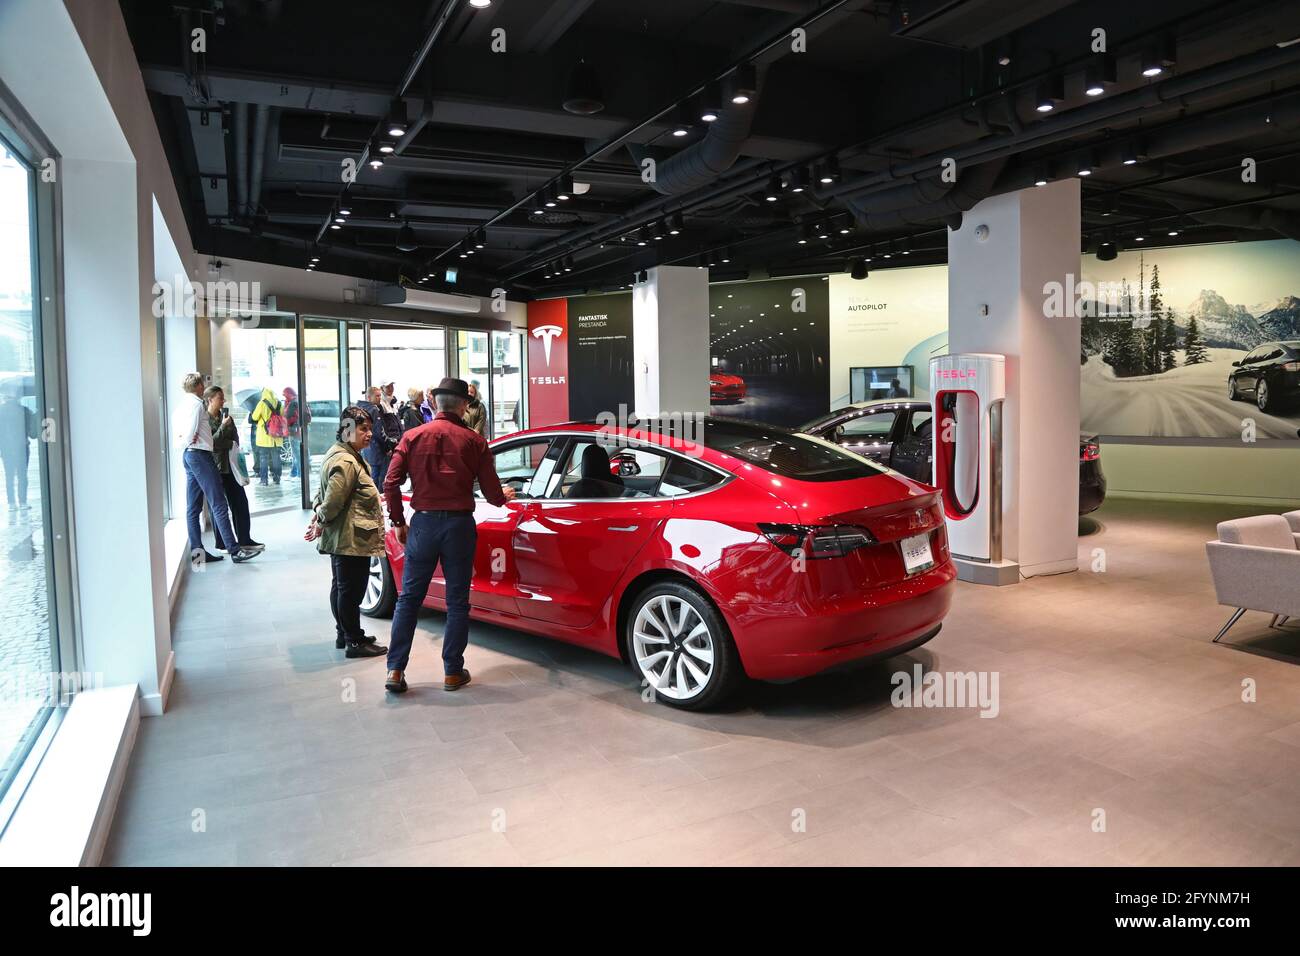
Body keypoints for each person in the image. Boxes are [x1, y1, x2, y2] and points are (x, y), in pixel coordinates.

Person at [381, 377, 515, 694]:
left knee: (409, 599)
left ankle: (396, 670)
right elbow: (494, 495)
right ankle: (453, 672)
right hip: (458, 527)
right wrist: (506, 494)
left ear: (435, 404)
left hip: (423, 524)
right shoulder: (474, 442)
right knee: (457, 601)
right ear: (464, 406)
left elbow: (390, 483)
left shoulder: (412, 437)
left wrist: (399, 521)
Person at [305, 406, 388, 659]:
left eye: (370, 429)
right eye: (364, 429)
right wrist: (320, 517)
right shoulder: (345, 460)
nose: (369, 434)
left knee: (343, 588)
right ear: (348, 430)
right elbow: (332, 500)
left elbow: (326, 496)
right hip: (350, 538)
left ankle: (347, 633)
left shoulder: (343, 454)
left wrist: (319, 515)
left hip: (347, 536)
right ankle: (354, 641)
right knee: (351, 590)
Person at [179, 372, 256, 564]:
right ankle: (235, 550)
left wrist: (187, 443)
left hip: (188, 454)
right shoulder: (197, 405)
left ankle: (198, 556)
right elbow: (191, 433)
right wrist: (193, 441)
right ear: (198, 387)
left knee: (193, 508)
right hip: (200, 455)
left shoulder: (182, 405)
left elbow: (180, 434)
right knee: (219, 504)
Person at [205, 386, 263, 554]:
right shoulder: (205, 419)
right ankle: (221, 543)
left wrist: (229, 439)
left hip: (231, 466)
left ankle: (245, 539)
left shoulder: (226, 417)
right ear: (210, 400)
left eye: (223, 398)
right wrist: (224, 431)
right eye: (220, 398)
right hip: (216, 467)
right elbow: (212, 443)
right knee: (219, 506)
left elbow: (235, 440)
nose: (223, 401)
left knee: (240, 503)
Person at [0, 389, 36, 512]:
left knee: (9, 475)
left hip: (6, 449)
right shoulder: (25, 411)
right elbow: (33, 433)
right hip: (22, 448)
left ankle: (11, 503)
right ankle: (23, 502)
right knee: (22, 476)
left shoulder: (0, 411)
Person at [356, 386, 396, 490]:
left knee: (369, 478)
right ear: (369, 398)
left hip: (365, 449)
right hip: (377, 450)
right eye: (377, 396)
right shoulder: (373, 409)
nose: (379, 398)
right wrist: (387, 448)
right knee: (379, 481)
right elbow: (379, 432)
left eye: (380, 396)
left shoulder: (358, 408)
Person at [250, 386, 285, 485]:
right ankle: (277, 478)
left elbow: (255, 417)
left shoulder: (262, 403)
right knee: (276, 457)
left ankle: (264, 480)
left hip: (264, 436)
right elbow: (282, 415)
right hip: (276, 437)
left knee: (263, 458)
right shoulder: (279, 403)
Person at [283, 385, 309, 480]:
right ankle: (294, 473)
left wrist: (285, 407)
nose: (284, 397)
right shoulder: (300, 401)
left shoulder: (293, 403)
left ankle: (299, 474)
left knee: (296, 452)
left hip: (294, 430)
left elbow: (287, 415)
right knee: (297, 452)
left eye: (285, 394)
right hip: (301, 430)